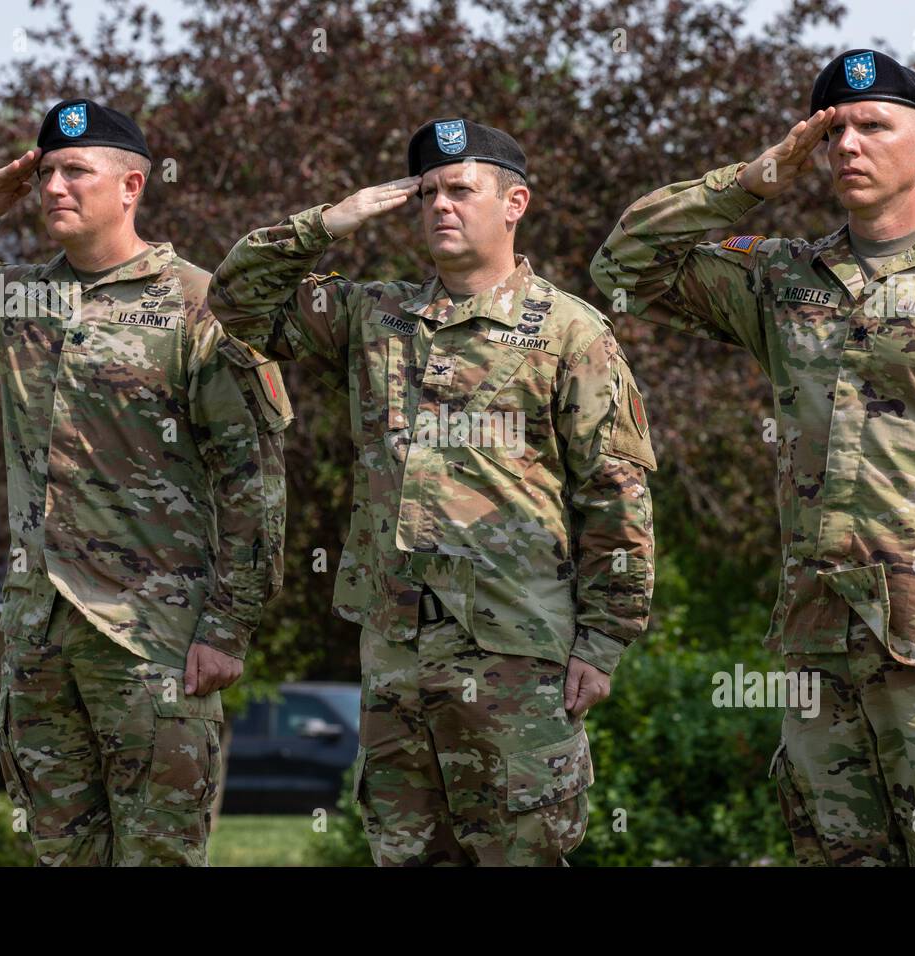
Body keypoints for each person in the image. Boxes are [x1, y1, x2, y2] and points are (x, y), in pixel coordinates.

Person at [590, 50, 915, 866]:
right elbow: (623, 268)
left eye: (873, 126)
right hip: (818, 648)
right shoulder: (787, 278)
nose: (850, 146)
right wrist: (753, 179)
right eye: (834, 133)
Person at [0, 98, 292, 866]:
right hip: (40, 635)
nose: (55, 186)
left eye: (76, 171)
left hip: (152, 640)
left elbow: (251, 480)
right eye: (46, 171)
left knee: (157, 857)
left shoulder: (200, 306)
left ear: (131, 187)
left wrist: (228, 626)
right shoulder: (16, 297)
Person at [207, 118, 656, 865]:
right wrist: (327, 222)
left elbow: (616, 494)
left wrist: (605, 640)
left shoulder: (570, 333)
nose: (441, 205)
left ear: (515, 203)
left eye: (461, 190)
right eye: (427, 193)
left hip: (516, 652)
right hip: (397, 654)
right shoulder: (375, 316)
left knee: (523, 850)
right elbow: (235, 302)